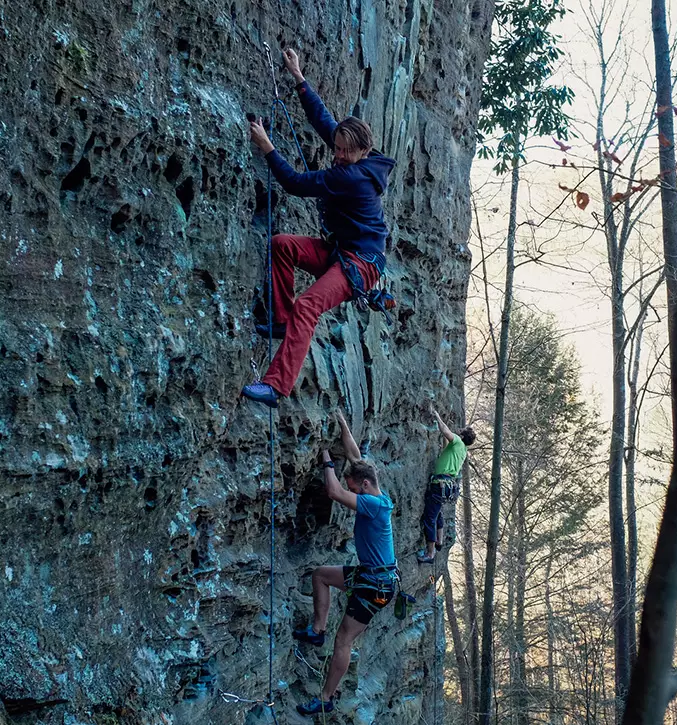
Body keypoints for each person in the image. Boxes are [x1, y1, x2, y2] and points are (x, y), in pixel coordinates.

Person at [242, 48, 396, 409]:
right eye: (337, 149)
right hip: (343, 252)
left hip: (361, 264)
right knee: (282, 245)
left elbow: (294, 183)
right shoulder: (361, 156)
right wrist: (299, 78)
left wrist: (268, 148)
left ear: (362, 151)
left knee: (308, 305)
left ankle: (277, 387)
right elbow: (326, 123)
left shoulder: (352, 177)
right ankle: (280, 321)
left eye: (344, 151)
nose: (337, 154)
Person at [293, 413, 398, 716]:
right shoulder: (376, 491)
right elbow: (355, 455)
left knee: (344, 640)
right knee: (321, 576)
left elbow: (334, 492)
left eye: (355, 488)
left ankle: (326, 698)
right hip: (372, 577)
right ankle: (317, 629)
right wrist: (341, 422)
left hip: (376, 585)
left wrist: (326, 459)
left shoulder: (374, 504)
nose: (352, 492)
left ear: (364, 486)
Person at [416, 407, 476, 564]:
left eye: (461, 431)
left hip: (440, 486)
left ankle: (430, 553)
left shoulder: (457, 441)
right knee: (438, 513)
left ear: (462, 436)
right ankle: (439, 541)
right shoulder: (462, 450)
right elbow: (446, 445)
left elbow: (445, 432)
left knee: (430, 518)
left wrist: (437, 416)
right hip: (447, 487)